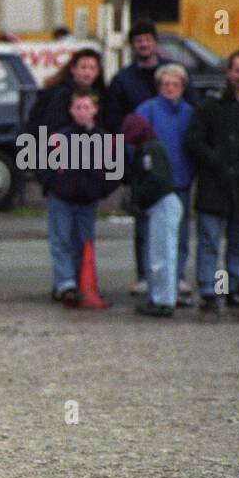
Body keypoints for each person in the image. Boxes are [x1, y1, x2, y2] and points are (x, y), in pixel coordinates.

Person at [104, 19, 193, 294]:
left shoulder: (178, 85)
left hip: (178, 172)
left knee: (179, 226)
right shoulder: (124, 82)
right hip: (142, 169)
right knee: (145, 226)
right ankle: (146, 275)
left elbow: (194, 131)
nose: (144, 43)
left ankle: (176, 276)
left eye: (148, 38)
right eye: (138, 39)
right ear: (132, 45)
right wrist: (125, 168)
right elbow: (114, 125)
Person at [185, 49, 239, 312]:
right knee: (210, 241)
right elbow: (194, 141)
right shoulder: (210, 105)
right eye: (238, 71)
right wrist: (215, 162)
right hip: (213, 184)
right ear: (228, 73)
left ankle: (234, 286)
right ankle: (210, 290)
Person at [39, 89, 120, 305]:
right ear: (71, 111)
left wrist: (100, 189)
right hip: (61, 198)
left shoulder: (104, 139)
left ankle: (83, 282)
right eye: (78, 107)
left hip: (87, 200)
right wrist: (52, 184)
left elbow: (115, 170)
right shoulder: (60, 137)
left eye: (86, 107)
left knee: (84, 243)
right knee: (61, 241)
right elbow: (43, 165)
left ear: (94, 110)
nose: (82, 112)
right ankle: (65, 284)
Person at [134, 63, 195, 304]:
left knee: (179, 236)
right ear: (159, 86)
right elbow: (133, 147)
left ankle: (176, 280)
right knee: (153, 239)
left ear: (182, 87)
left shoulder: (190, 114)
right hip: (153, 188)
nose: (170, 88)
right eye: (166, 84)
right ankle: (153, 284)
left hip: (181, 184)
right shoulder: (146, 111)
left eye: (175, 84)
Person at [121, 114, 181, 317]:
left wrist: (138, 199)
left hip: (162, 205)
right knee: (160, 255)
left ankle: (164, 301)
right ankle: (161, 298)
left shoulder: (150, 149)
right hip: (162, 204)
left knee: (162, 256)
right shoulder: (151, 147)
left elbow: (156, 181)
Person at [24, 47, 107, 138]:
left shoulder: (100, 94)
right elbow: (51, 126)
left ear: (98, 72)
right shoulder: (60, 93)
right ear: (73, 69)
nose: (87, 72)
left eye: (92, 68)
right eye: (83, 67)